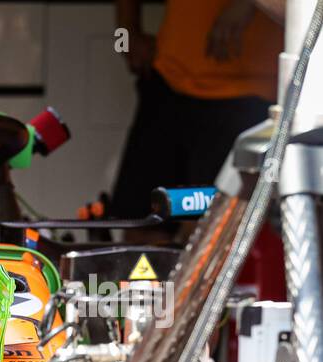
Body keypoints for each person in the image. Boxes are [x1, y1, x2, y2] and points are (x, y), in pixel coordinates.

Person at [109, 0, 284, 223]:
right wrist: (126, 34)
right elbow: (123, 34)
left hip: (250, 94)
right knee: (141, 223)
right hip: (169, 79)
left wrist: (248, 4)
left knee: (214, 231)